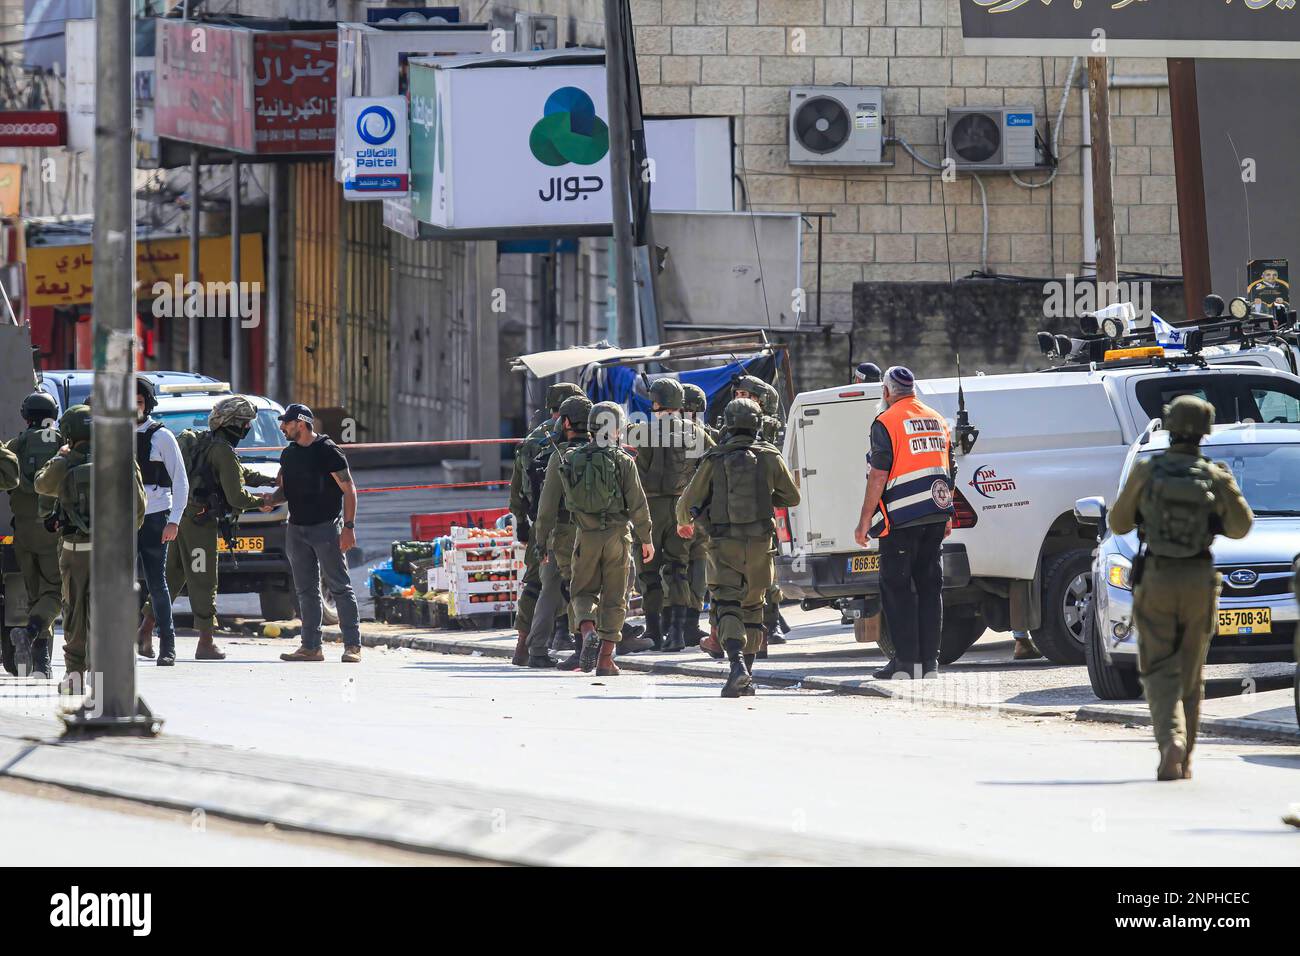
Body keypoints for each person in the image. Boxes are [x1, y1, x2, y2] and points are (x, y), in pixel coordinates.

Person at [1108, 395, 1252, 781]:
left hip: (1156, 575)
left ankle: (1170, 740)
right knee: (1191, 670)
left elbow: (1118, 523)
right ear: (1206, 431)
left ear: (1169, 426)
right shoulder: (1215, 474)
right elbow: (1241, 527)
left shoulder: (1146, 470)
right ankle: (1186, 757)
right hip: (1199, 579)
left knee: (1158, 667)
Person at [677, 398, 800, 698]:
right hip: (761, 545)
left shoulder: (714, 458)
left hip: (723, 545)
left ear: (727, 425)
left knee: (728, 603)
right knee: (754, 607)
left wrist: (686, 521)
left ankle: (736, 667)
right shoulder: (770, 456)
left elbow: (686, 503)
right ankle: (749, 675)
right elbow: (792, 497)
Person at [142, 395, 265, 661]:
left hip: (179, 516)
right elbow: (236, 497)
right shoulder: (222, 450)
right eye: (244, 424)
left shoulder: (204, 442)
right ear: (232, 424)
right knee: (204, 578)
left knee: (172, 576)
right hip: (200, 522)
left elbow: (240, 473)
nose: (247, 429)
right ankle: (206, 642)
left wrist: (270, 479)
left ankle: (145, 631)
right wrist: (263, 502)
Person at [34, 404, 146, 694]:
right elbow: (138, 507)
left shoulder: (66, 461)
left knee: (74, 610)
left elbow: (41, 485)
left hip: (74, 550)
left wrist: (60, 458)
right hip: (110, 550)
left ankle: (74, 676)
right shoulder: (119, 457)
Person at [853, 365, 955, 680]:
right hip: (936, 515)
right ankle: (930, 664)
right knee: (929, 588)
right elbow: (949, 467)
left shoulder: (886, 421)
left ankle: (906, 663)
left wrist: (864, 521)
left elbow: (879, 474)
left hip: (902, 518)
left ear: (886, 392)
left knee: (896, 589)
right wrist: (947, 510)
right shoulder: (937, 419)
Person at [261, 404, 363, 663]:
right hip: (296, 529)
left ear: (302, 423)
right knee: (305, 590)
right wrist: (271, 500)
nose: (282, 427)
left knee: (340, 586)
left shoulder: (328, 451)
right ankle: (311, 646)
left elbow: (349, 489)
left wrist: (348, 528)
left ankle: (352, 646)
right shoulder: (289, 454)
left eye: (287, 422)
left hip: (326, 528)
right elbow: (285, 490)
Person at [557, 401, 653, 676]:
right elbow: (638, 503)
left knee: (582, 592)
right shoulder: (623, 460)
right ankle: (605, 660)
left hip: (585, 537)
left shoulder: (571, 458)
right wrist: (646, 538)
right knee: (615, 597)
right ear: (617, 428)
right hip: (617, 537)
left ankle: (587, 631)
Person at [630, 377, 712, 652]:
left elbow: (616, 436)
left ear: (655, 402)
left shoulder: (641, 432)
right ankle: (677, 633)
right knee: (679, 569)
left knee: (649, 572)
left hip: (649, 510)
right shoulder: (697, 434)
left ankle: (654, 631)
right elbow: (712, 462)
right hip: (683, 510)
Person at [510, 382, 583, 657]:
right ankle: (565, 634)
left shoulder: (530, 441)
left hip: (537, 523)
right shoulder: (575, 440)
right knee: (570, 581)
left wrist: (520, 521)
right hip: (569, 524)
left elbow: (515, 487)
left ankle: (522, 645)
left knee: (534, 585)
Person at [531, 394, 594, 669]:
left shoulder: (559, 457)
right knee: (589, 588)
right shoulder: (605, 452)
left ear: (565, 421)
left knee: (560, 588)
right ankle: (594, 646)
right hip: (597, 531)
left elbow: (545, 508)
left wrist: (540, 542)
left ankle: (540, 649)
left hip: (565, 532)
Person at [4, 392, 62, 678]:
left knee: (34, 594)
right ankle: (34, 644)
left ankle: (41, 662)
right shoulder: (64, 443)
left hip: (23, 531)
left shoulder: (16, 445)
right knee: (55, 593)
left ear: (26, 416)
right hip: (53, 528)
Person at [134, 379, 190, 667]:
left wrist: (175, 521)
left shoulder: (162, 437)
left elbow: (180, 481)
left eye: (140, 402)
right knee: (117, 584)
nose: (134, 407)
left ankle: (167, 644)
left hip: (156, 518)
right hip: (121, 520)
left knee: (157, 584)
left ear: (148, 404)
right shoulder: (112, 436)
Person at [681, 382, 714, 646]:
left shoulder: (661, 435)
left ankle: (677, 626)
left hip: (679, 511)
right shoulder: (706, 436)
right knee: (696, 568)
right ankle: (689, 624)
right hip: (699, 510)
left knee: (677, 569)